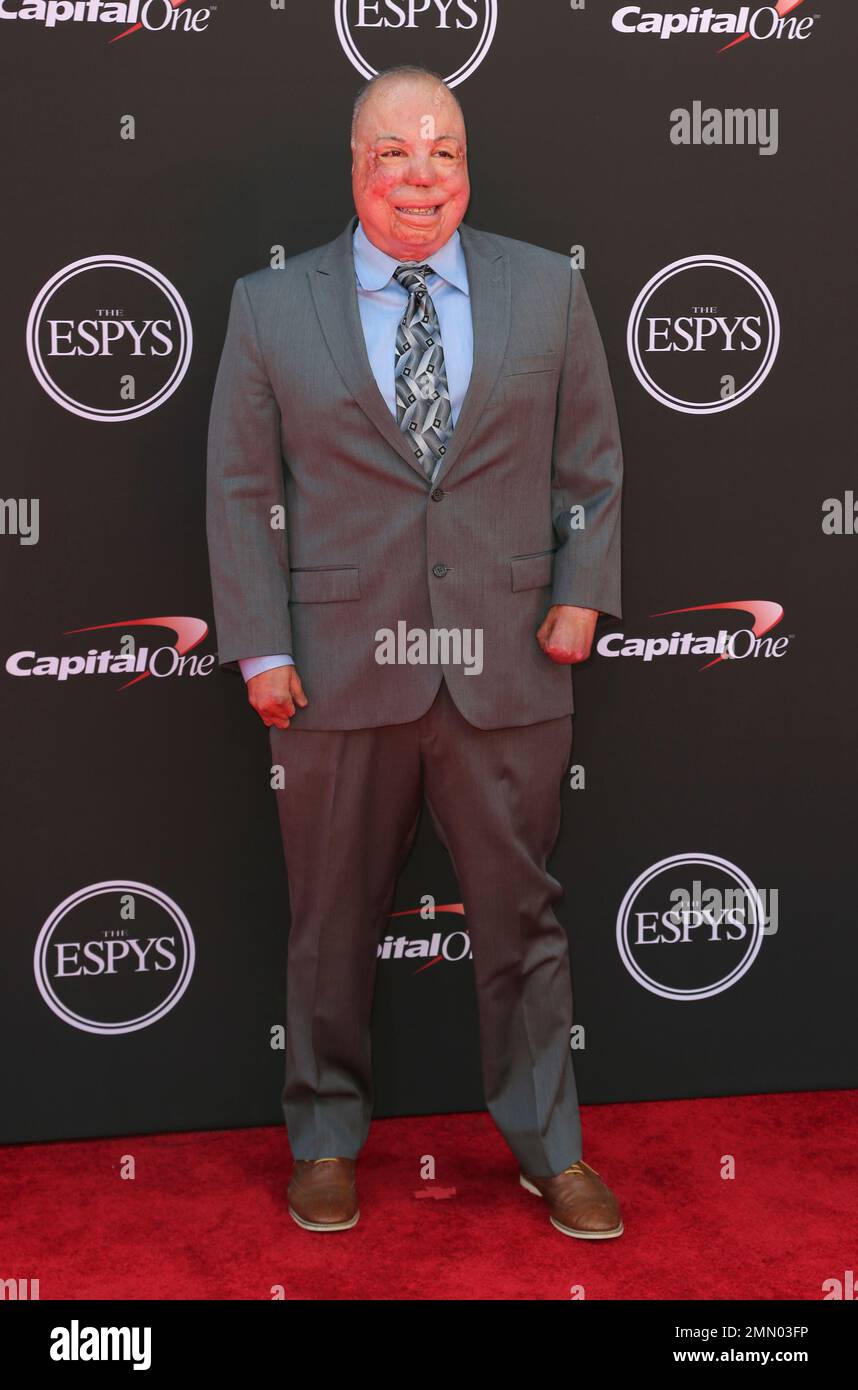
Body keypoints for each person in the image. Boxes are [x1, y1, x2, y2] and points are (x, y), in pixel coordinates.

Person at [206, 65, 625, 1239]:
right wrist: (257, 650)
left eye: (442, 150)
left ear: (467, 166)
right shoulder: (270, 307)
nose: (421, 176)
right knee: (329, 921)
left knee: (523, 921)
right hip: (338, 671)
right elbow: (242, 492)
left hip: (511, 665)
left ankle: (552, 1148)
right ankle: (327, 1138)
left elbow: (590, 469)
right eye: (395, 152)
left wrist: (583, 594)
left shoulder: (548, 290)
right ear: (355, 166)